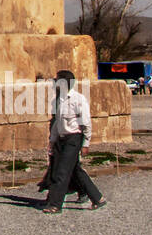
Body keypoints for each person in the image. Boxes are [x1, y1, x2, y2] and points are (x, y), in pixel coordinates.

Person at [43, 69, 106, 213]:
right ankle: (98, 198)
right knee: (75, 170)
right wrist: (52, 141)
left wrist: (86, 143)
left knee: (62, 172)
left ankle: (55, 205)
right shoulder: (58, 100)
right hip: (62, 139)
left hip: (74, 138)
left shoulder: (78, 99)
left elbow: (86, 123)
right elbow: (57, 124)